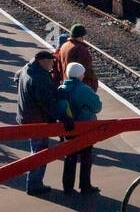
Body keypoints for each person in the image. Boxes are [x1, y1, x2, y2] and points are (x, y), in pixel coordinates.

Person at [17, 50, 68, 196]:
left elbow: (16, 77)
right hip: (37, 120)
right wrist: (63, 117)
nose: (52, 64)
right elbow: (47, 102)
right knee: (39, 152)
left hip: (27, 116)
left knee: (37, 150)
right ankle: (34, 184)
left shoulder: (27, 69)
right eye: (51, 61)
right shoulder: (39, 78)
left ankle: (34, 183)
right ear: (43, 61)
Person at [57, 62, 103, 196]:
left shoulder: (61, 88)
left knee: (70, 156)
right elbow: (97, 107)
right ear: (80, 75)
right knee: (86, 156)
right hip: (85, 127)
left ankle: (67, 186)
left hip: (68, 127)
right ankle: (85, 185)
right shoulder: (84, 89)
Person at [55, 24, 99, 91]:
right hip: (80, 88)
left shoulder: (64, 46)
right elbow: (87, 71)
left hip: (66, 84)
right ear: (82, 36)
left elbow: (59, 66)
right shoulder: (81, 49)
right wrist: (93, 86)